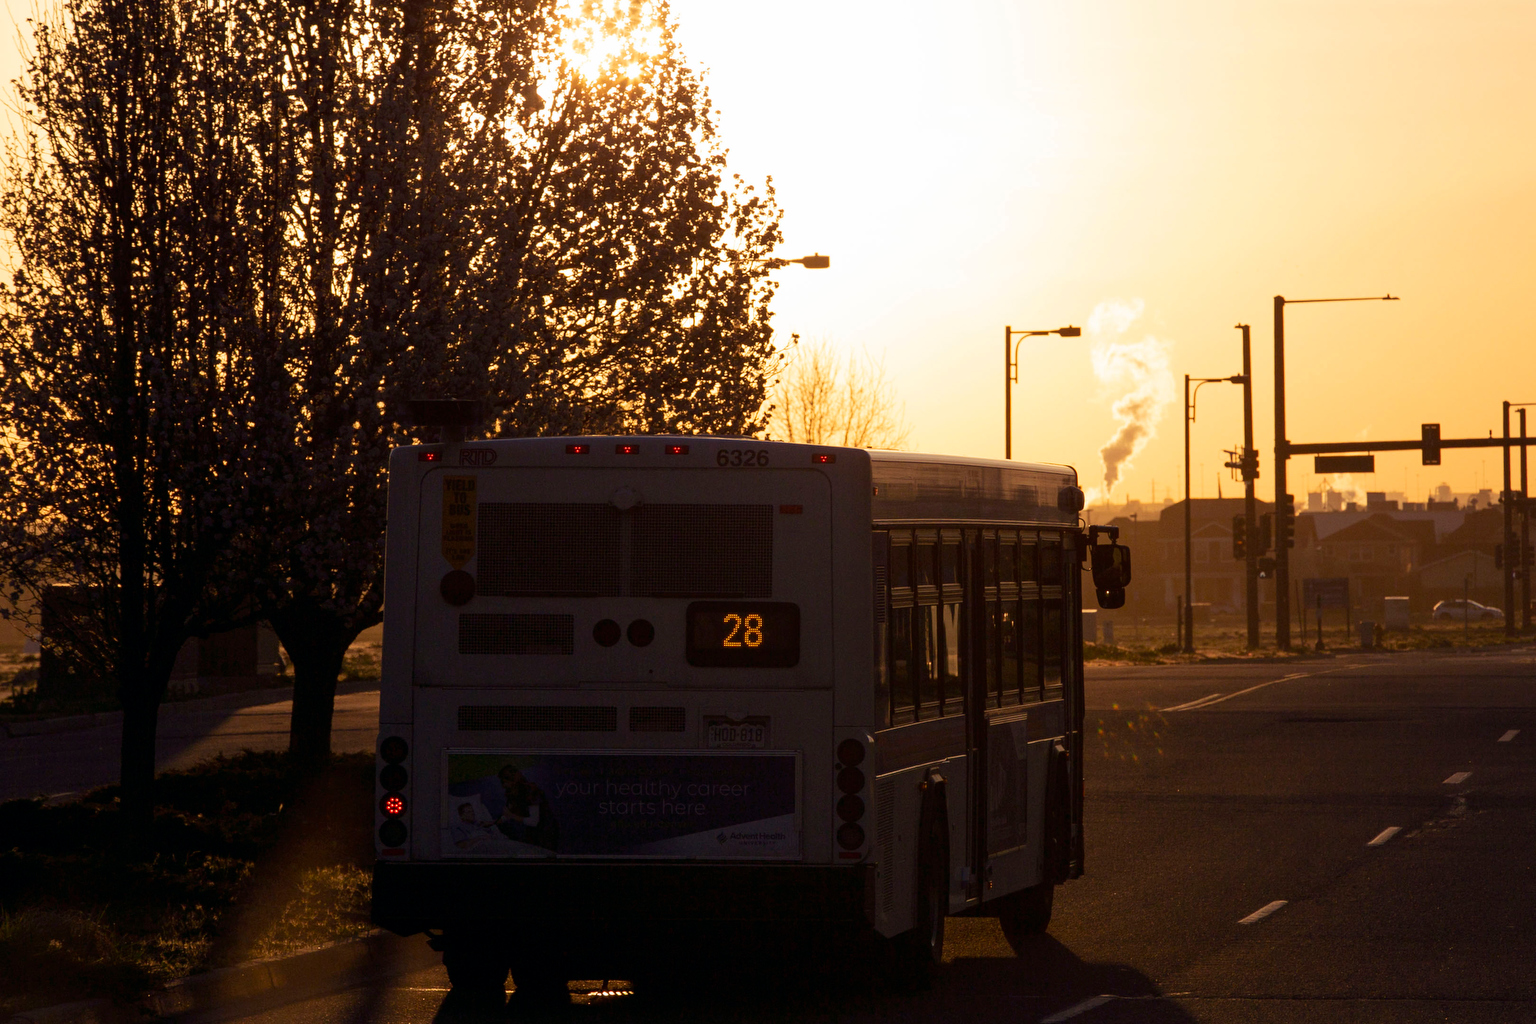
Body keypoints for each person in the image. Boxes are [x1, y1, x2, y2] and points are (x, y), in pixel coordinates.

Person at [496, 765, 559, 851]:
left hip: (545, 832)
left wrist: (511, 816)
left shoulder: (530, 791)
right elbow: (509, 813)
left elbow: (534, 821)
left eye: (504, 782)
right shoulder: (513, 793)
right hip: (533, 832)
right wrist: (492, 823)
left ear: (512, 780)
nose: (503, 786)